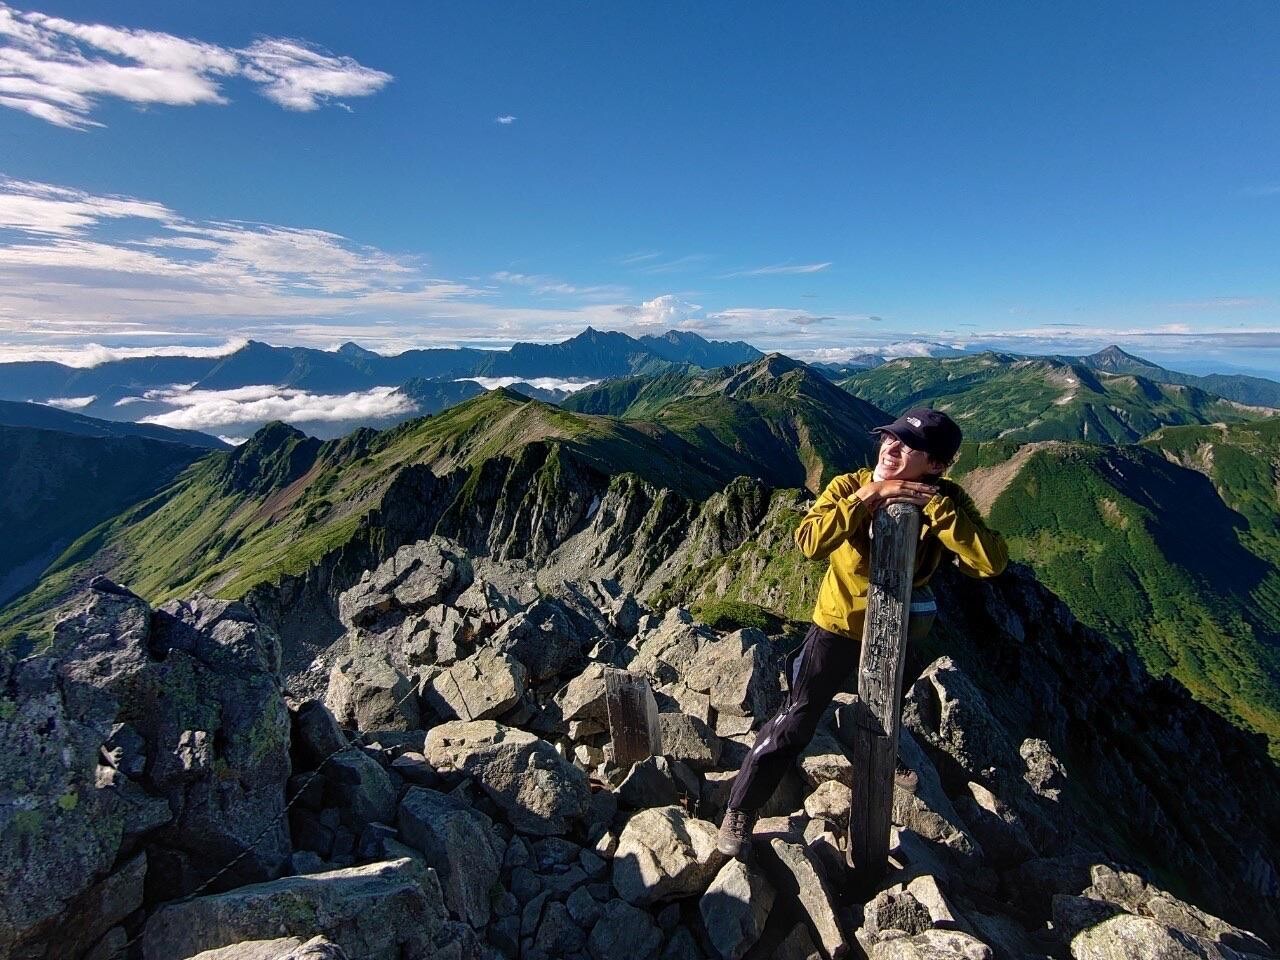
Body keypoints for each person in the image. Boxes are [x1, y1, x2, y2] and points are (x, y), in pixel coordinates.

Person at [716, 407, 1009, 858]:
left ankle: (873, 822)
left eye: (907, 445)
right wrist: (870, 496)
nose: (891, 447)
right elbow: (810, 542)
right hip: (836, 626)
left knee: (885, 725)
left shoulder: (945, 499)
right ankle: (741, 809)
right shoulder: (849, 485)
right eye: (888, 438)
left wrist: (934, 507)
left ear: (935, 465)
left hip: (896, 633)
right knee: (795, 719)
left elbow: (990, 561)